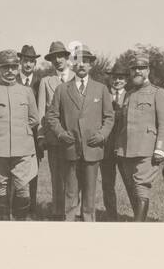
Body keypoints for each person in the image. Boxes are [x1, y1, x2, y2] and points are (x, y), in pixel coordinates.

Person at [43, 43, 114, 221]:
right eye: (78, 61)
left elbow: (109, 117)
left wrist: (102, 134)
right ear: (72, 64)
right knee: (70, 192)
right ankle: (69, 224)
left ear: (91, 65)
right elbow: (51, 116)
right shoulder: (62, 89)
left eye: (86, 62)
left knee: (90, 194)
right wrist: (61, 134)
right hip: (70, 148)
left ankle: (88, 224)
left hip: (93, 147)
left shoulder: (101, 89)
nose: (81, 65)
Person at [0, 49, 40, 220]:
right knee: (1, 186)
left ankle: (20, 222)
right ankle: (4, 222)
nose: (10, 71)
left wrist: (20, 130)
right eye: (6, 67)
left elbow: (34, 118)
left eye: (13, 67)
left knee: (22, 187)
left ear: (18, 68)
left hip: (23, 148)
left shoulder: (26, 91)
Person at [110, 55, 164, 223]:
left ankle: (138, 230)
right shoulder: (128, 95)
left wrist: (160, 148)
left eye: (141, 68)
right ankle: (140, 224)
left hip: (147, 150)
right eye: (134, 69)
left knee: (141, 187)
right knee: (132, 188)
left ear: (148, 70)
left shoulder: (157, 93)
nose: (138, 71)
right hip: (126, 150)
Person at [36, 41, 72, 220]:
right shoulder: (46, 81)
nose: (57, 60)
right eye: (53, 58)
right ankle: (58, 211)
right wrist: (41, 135)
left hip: (74, 136)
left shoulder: (77, 78)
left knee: (73, 175)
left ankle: (74, 211)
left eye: (60, 56)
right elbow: (41, 110)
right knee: (57, 175)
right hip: (53, 137)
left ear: (67, 57)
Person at [16, 44, 43, 216]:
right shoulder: (12, 80)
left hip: (34, 136)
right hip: (15, 134)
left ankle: (31, 207)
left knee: (33, 172)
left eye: (31, 61)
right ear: (20, 61)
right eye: (25, 61)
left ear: (35, 64)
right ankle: (15, 205)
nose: (28, 65)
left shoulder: (41, 83)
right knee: (15, 171)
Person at [100, 60, 128, 221]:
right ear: (110, 79)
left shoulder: (131, 96)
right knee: (107, 184)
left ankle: (138, 216)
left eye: (121, 78)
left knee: (130, 182)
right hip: (106, 147)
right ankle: (112, 217)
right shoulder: (103, 95)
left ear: (126, 80)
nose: (117, 81)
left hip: (125, 147)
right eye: (115, 78)